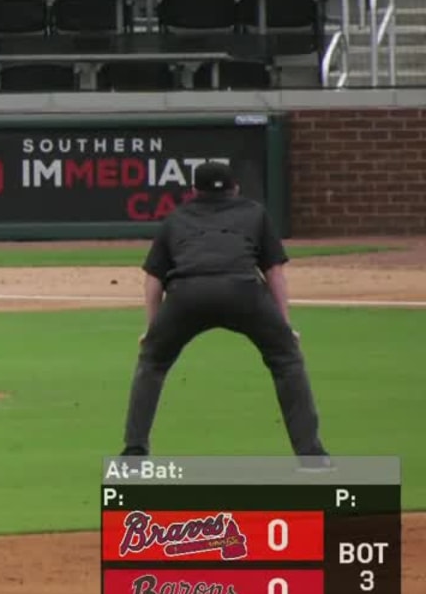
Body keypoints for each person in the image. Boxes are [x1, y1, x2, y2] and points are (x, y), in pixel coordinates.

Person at [119, 161, 329, 466]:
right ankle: (311, 455)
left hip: (186, 296)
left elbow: (153, 279)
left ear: (193, 192)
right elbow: (274, 272)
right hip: (242, 292)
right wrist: (284, 325)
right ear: (235, 189)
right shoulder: (255, 212)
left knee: (152, 363)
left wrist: (151, 330)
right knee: (286, 361)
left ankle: (134, 452)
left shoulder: (175, 218)